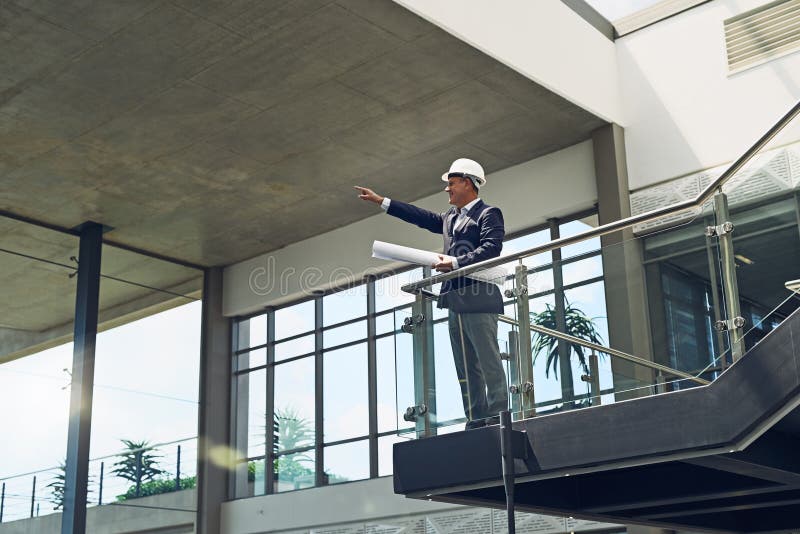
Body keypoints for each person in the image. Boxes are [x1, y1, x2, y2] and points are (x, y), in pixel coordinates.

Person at [355, 158, 508, 429]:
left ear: (467, 183)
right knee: (465, 368)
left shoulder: (488, 214)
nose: (447, 190)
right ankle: (476, 419)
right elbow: (421, 217)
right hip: (454, 298)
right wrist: (383, 202)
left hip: (480, 295)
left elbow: (492, 248)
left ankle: (498, 417)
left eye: (451, 184)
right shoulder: (450, 218)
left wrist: (456, 262)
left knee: (488, 363)